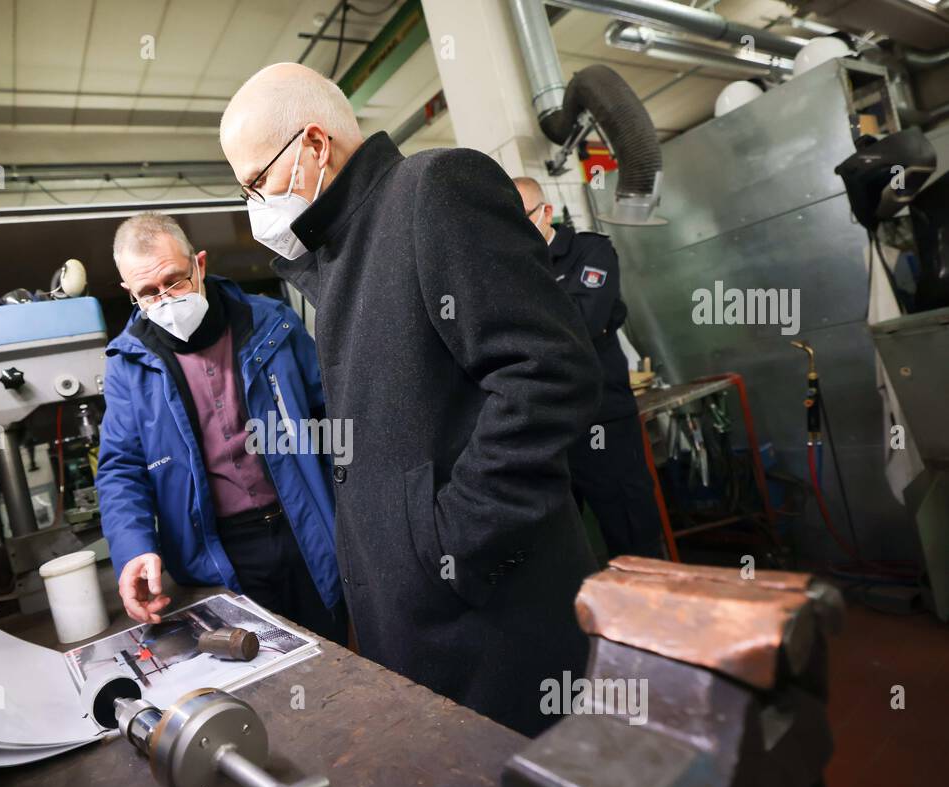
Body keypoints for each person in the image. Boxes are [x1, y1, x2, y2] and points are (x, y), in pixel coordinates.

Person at [219, 63, 602, 735]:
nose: (255, 204)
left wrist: (449, 541)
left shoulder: (435, 190)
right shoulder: (335, 258)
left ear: (313, 145)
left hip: (489, 614)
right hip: (423, 621)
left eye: (257, 181)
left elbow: (549, 371)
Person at [96, 212, 347, 643]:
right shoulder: (128, 365)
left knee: (336, 656)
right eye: (148, 293)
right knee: (255, 670)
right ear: (129, 293)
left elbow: (331, 419)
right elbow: (121, 469)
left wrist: (352, 507)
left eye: (175, 281)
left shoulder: (272, 325)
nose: (166, 299)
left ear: (200, 264)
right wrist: (133, 548)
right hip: (217, 554)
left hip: (305, 529)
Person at [515, 177, 665, 559]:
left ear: (545, 213)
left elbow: (583, 320)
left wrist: (523, 327)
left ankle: (651, 613)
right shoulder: (507, 272)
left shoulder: (588, 252)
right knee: (563, 546)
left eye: (522, 217)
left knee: (631, 531)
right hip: (547, 430)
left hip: (603, 421)